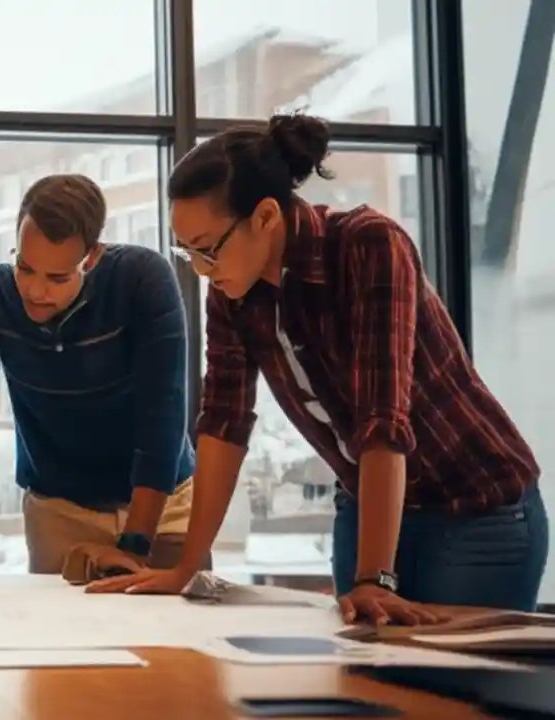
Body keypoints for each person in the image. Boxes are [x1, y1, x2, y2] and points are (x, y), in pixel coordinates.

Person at [88, 112, 546, 624]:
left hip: (477, 507)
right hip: (365, 501)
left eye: (207, 250)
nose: (199, 269)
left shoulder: (368, 244)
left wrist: (375, 578)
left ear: (264, 216)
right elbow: (222, 422)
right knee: (369, 684)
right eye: (187, 252)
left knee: (461, 693)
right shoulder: (231, 290)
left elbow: (382, 419)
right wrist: (185, 569)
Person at [0, 174, 199, 582]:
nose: (35, 291)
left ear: (92, 258)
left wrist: (134, 544)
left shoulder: (143, 279)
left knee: (175, 636)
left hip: (161, 504)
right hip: (59, 511)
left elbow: (164, 415)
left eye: (57, 278)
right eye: (25, 268)